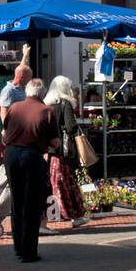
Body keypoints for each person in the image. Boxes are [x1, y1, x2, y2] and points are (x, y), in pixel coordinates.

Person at [2, 78, 60, 263]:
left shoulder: (14, 107)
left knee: (17, 202)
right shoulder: (47, 111)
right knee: (33, 203)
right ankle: (29, 252)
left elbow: (5, 133)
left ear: (27, 92)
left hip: (11, 154)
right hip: (32, 156)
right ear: (42, 94)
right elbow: (55, 142)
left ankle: (18, 247)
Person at [43, 75, 87, 229]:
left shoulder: (46, 103)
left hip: (47, 150)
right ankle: (74, 214)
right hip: (62, 149)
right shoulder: (65, 104)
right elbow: (70, 127)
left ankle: (53, 214)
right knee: (67, 182)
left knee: (51, 182)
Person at [0, 54, 33, 129]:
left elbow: (21, 69)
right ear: (22, 78)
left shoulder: (22, 87)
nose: (30, 80)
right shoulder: (8, 91)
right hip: (15, 130)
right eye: (29, 77)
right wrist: (7, 130)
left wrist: (25, 55)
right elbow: (4, 111)